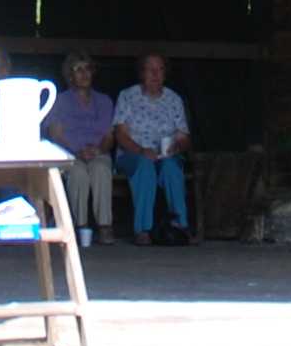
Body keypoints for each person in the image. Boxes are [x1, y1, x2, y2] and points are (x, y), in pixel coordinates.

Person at [115, 53, 195, 245]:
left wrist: (177, 147)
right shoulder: (128, 96)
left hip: (165, 154)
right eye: (150, 69)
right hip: (133, 154)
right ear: (141, 73)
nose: (155, 74)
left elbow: (184, 136)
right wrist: (142, 151)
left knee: (171, 168)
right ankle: (143, 229)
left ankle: (180, 226)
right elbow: (120, 134)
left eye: (159, 69)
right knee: (145, 166)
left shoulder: (173, 99)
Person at [44, 53, 119, 243]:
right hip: (69, 154)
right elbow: (55, 134)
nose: (84, 74)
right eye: (78, 70)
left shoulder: (104, 101)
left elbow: (109, 136)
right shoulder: (59, 101)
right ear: (70, 75)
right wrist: (76, 151)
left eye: (87, 69)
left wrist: (97, 150)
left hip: (98, 152)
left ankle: (104, 226)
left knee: (101, 169)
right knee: (78, 173)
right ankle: (81, 226)